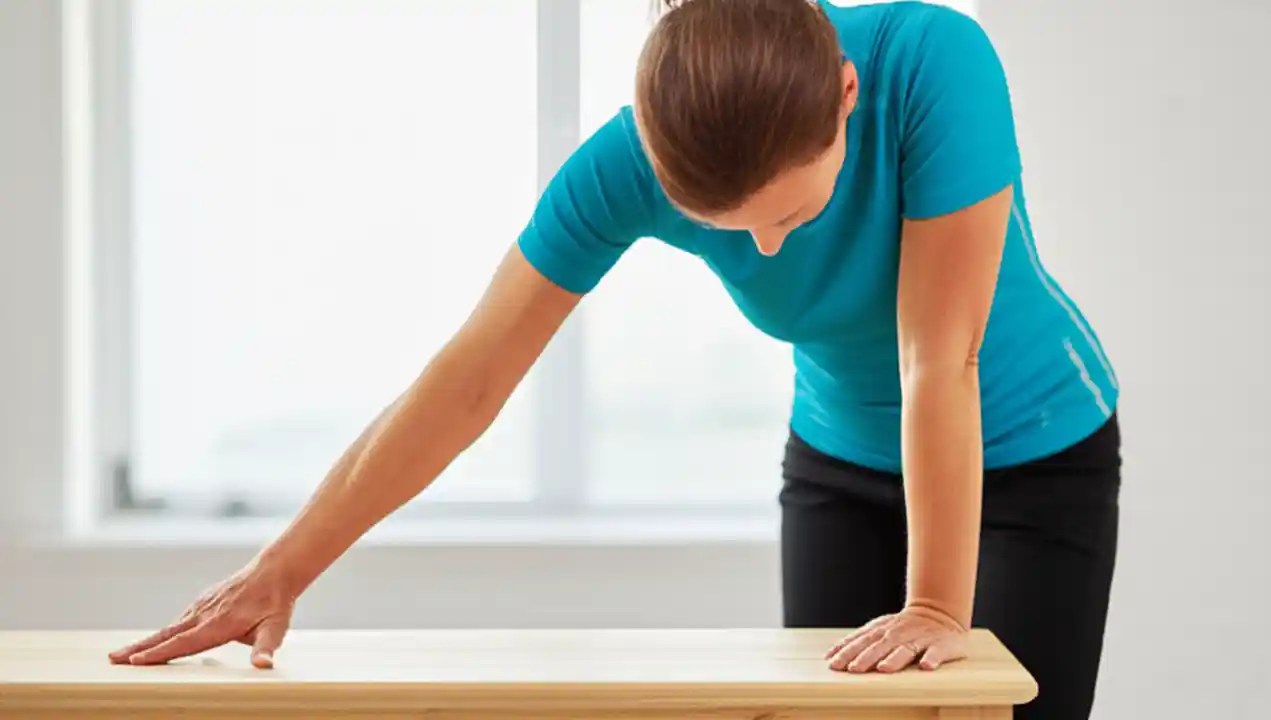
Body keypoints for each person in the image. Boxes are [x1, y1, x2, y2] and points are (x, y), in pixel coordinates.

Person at [110, 1, 1121, 718]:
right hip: (835, 460)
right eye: (732, 229)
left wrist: (936, 606)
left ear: (846, 95)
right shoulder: (629, 156)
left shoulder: (929, 62)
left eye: (793, 213)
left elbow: (934, 358)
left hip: (1029, 456)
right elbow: (468, 378)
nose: (769, 250)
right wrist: (281, 570)